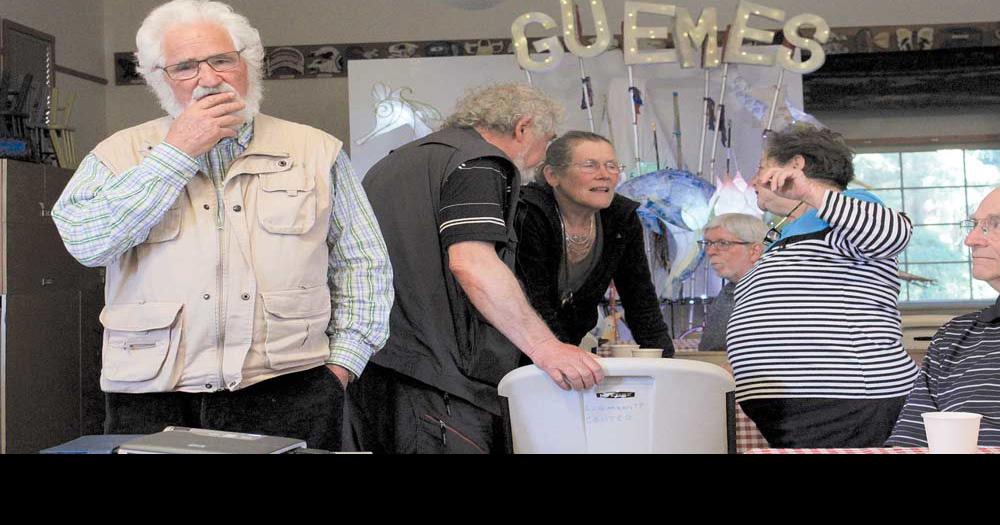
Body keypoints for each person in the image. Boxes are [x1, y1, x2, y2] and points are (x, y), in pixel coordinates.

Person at [51, 0, 392, 451]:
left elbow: (363, 263)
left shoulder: (316, 150)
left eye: (222, 60)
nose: (208, 79)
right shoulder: (117, 153)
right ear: (159, 78)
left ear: (250, 63)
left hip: (291, 387)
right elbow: (87, 243)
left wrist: (341, 367)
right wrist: (177, 153)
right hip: (151, 395)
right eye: (185, 67)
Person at [354, 84, 605, 454]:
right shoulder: (479, 162)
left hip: (379, 372)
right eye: (548, 140)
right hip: (442, 382)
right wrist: (547, 348)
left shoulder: (393, 163)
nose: (541, 158)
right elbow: (472, 262)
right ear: (523, 127)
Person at [726, 124, 918, 448]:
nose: (753, 181)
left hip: (849, 402)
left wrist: (810, 192)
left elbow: (894, 233)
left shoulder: (848, 207)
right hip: (807, 409)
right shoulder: (793, 231)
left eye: (761, 168)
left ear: (795, 166)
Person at [514, 131, 672, 356]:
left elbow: (641, 300)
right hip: (514, 349)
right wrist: (565, 357)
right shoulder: (527, 213)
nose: (604, 175)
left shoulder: (621, 217)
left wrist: (665, 362)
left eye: (611, 166)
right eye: (590, 166)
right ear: (552, 175)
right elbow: (534, 301)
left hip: (565, 349)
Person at [885, 187, 1000, 447]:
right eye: (974, 225)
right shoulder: (954, 336)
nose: (970, 240)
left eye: (994, 225)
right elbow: (908, 444)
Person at [697, 213, 767, 352]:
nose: (710, 251)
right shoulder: (730, 290)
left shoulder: (767, 294)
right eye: (708, 243)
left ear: (754, 251)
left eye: (723, 243)